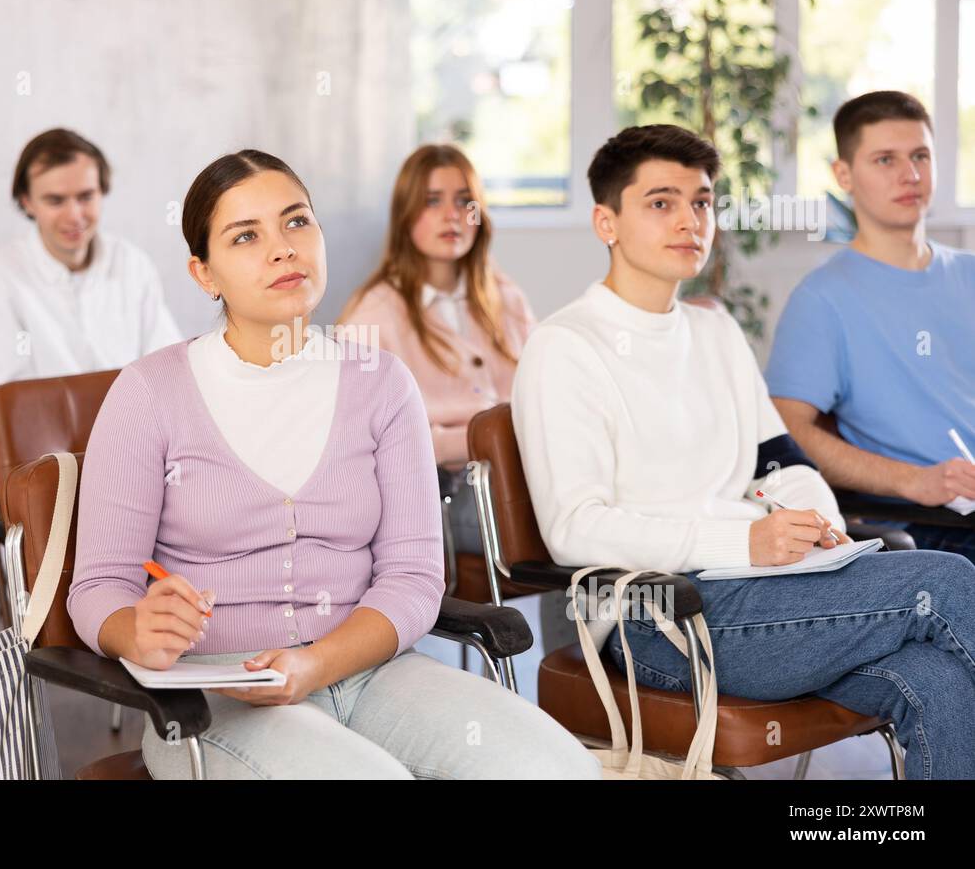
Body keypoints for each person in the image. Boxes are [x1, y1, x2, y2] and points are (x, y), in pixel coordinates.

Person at [67, 149, 599, 779]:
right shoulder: (148, 393)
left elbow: (412, 577)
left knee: (557, 769)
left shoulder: (381, 382)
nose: (283, 249)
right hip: (213, 697)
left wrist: (317, 664)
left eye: (297, 222)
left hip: (369, 674)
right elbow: (99, 587)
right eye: (246, 236)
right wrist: (136, 630)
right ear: (204, 273)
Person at [513, 124, 975, 779]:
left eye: (701, 202)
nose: (689, 220)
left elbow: (780, 462)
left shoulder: (713, 329)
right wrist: (744, 543)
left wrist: (823, 528)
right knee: (946, 579)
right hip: (661, 620)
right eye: (661, 202)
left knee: (937, 681)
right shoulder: (565, 347)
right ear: (605, 221)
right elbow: (573, 531)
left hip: (768, 592)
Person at [766, 91, 975, 560]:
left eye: (921, 156)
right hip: (932, 523)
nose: (911, 175)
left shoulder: (970, 274)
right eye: (886, 159)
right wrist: (916, 480)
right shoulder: (823, 299)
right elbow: (786, 430)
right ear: (844, 175)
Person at [339, 145, 534, 559]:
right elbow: (360, 445)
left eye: (465, 201)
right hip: (448, 495)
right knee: (561, 520)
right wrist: (483, 440)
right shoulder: (374, 315)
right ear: (406, 214)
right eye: (432, 201)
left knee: (590, 505)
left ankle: (593, 624)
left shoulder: (506, 297)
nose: (452, 215)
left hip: (527, 475)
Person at [0, 128, 181, 389]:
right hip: (43, 431)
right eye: (55, 200)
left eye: (85, 196)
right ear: (27, 202)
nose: (74, 215)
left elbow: (168, 370)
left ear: (102, 191)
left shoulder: (132, 263)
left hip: (136, 429)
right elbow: (5, 398)